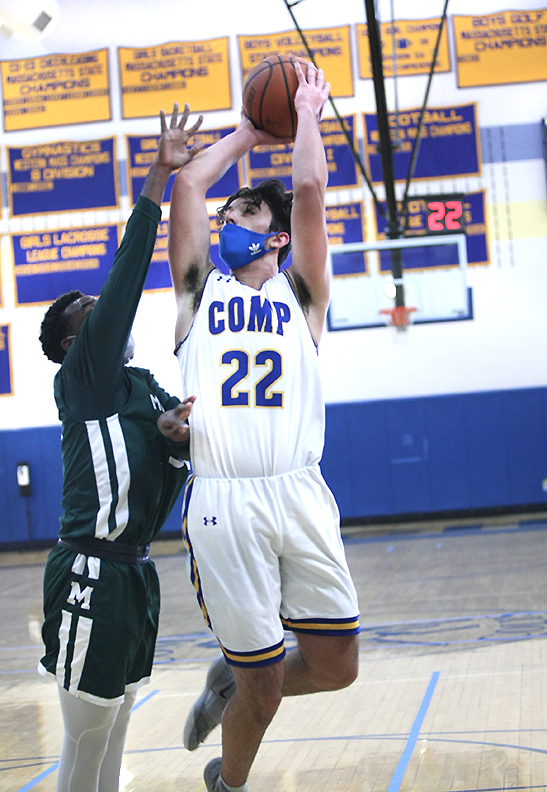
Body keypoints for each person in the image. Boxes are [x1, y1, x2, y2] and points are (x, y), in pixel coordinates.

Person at [168, 63, 360, 792]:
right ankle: (230, 783)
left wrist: (305, 110)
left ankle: (232, 678)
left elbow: (308, 190)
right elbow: (188, 187)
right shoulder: (197, 294)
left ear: (277, 239)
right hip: (225, 501)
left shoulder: (302, 295)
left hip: (299, 492)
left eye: (245, 211)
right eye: (229, 212)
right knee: (266, 690)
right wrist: (248, 129)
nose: (226, 218)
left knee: (336, 668)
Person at [38, 104, 202, 792]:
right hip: (88, 571)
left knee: (121, 722)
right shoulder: (82, 381)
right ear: (76, 344)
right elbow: (130, 273)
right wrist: (158, 177)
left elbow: (178, 460)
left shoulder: (141, 386)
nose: (102, 307)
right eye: (90, 310)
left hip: (135, 575)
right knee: (86, 739)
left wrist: (175, 441)